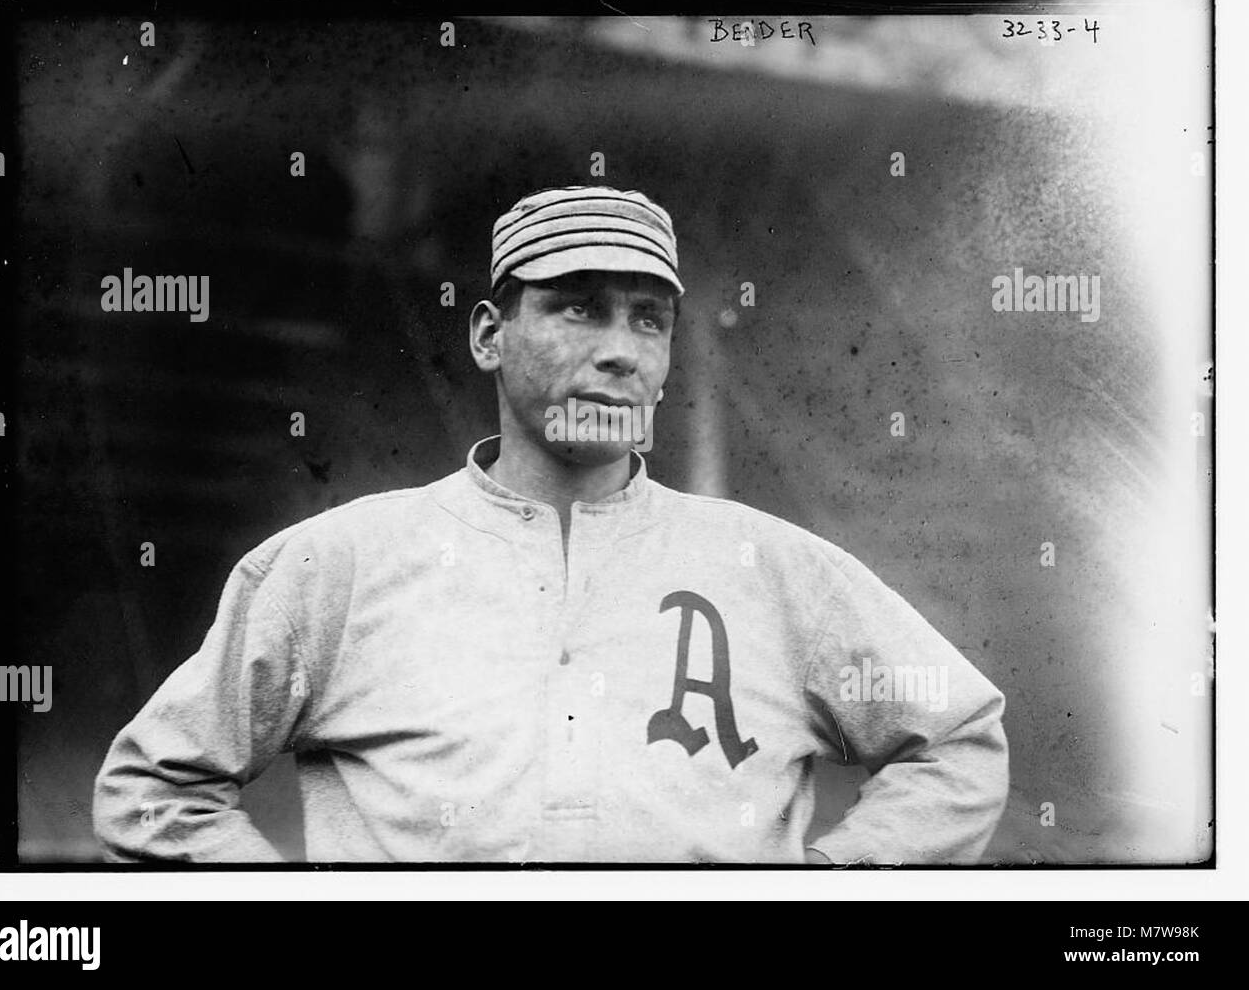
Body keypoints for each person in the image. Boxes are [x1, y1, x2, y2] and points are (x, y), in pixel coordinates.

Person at [93, 184, 1009, 864]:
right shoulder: (338, 564)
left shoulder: (768, 564)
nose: (618, 349)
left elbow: (958, 737)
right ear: (489, 333)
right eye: (577, 307)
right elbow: (154, 786)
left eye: (648, 321)